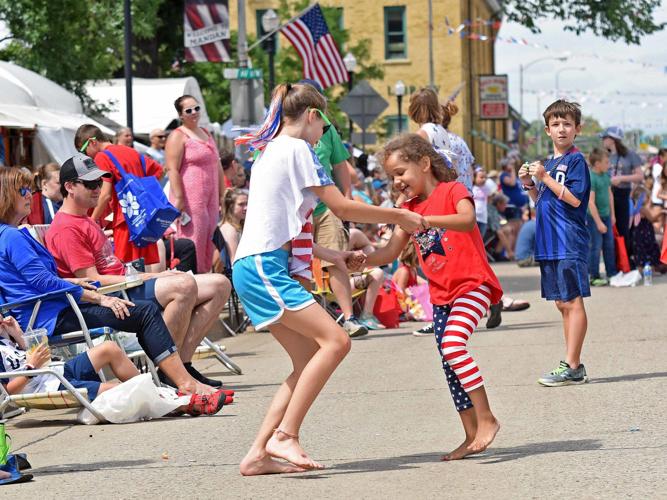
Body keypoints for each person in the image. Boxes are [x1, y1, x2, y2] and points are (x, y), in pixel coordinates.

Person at [232, 83, 426, 475]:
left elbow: (280, 224)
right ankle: (285, 436)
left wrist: (332, 255)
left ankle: (258, 453)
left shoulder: (273, 150)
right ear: (311, 117)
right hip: (263, 268)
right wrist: (398, 215)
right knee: (336, 341)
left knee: (306, 360)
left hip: (256, 265)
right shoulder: (296, 148)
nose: (325, 136)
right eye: (325, 127)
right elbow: (338, 205)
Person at [0, 167, 219, 396]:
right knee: (144, 313)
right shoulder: (12, 236)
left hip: (53, 308)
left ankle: (173, 383)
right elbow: (43, 282)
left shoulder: (14, 234)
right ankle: (182, 383)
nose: (29, 195)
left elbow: (40, 280)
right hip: (49, 316)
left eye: (29, 189)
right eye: (22, 190)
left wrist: (75, 283)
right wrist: (98, 297)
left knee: (143, 311)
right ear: (6, 195)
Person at [365, 133, 502, 460]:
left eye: (401, 172)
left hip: (473, 284)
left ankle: (486, 419)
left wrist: (423, 220)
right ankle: (470, 436)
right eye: (391, 176)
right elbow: (390, 252)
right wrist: (361, 259)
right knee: (449, 364)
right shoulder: (408, 211)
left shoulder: (452, 191)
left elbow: (467, 219)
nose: (396, 181)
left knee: (454, 346)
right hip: (442, 296)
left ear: (424, 164)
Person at [45, 154, 232, 388]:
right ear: (69, 186)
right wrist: (152, 275)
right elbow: (91, 280)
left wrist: (149, 275)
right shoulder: (66, 227)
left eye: (100, 183)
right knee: (182, 285)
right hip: (113, 294)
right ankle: (169, 371)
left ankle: (181, 365)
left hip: (126, 285)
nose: (98, 189)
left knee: (220, 285)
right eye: (91, 184)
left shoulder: (86, 220)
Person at [0, 315, 232, 415]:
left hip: (59, 372)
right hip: (49, 387)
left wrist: (17, 335)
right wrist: (30, 368)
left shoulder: (4, 336)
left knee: (109, 349)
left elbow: (32, 353)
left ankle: (166, 394)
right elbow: (5, 393)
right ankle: (185, 404)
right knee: (123, 391)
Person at [519, 99, 591, 387]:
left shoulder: (576, 161)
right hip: (548, 241)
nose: (562, 129)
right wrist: (529, 183)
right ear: (547, 130)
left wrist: (544, 177)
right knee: (562, 303)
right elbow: (542, 202)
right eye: (556, 124)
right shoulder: (548, 162)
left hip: (568, 240)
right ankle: (571, 362)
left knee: (572, 300)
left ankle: (573, 365)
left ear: (577, 129)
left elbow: (575, 200)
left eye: (567, 124)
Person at [300, 79, 368, 338]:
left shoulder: (327, 128)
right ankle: (310, 324)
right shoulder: (283, 133)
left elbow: (340, 164)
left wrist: (347, 199)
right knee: (300, 262)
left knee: (337, 256)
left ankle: (349, 318)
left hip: (326, 204)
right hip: (299, 209)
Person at [75, 124, 164, 273]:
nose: (86, 156)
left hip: (125, 220)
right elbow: (159, 171)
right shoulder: (131, 151)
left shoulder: (102, 157)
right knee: (142, 269)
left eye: (83, 150)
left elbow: (105, 195)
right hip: (144, 217)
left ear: (92, 142)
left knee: (127, 272)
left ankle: (134, 297)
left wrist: (92, 220)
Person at [165, 95, 224, 273]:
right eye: (188, 110)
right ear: (181, 115)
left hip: (210, 197)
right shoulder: (178, 136)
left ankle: (204, 277)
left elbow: (217, 164)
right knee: (193, 238)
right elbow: (172, 169)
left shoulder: (206, 133)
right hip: (191, 198)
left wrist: (223, 193)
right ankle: (191, 278)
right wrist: (180, 198)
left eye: (196, 108)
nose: (194, 113)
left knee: (208, 238)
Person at [600, 126, 643, 268]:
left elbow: (639, 176)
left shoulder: (629, 154)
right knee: (609, 231)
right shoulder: (603, 155)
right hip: (606, 195)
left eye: (604, 138)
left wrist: (621, 178)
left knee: (623, 229)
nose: (602, 140)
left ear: (612, 140)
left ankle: (626, 263)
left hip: (623, 194)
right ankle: (613, 265)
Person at [586, 147, 616, 286]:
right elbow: (590, 202)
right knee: (596, 247)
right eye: (606, 162)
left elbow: (610, 195)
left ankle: (612, 273)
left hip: (606, 216)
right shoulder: (591, 178)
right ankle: (594, 275)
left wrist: (612, 215)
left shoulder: (606, 176)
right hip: (594, 218)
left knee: (609, 245)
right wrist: (598, 223)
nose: (608, 164)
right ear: (597, 163)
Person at [441, 101, 474, 192]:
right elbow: (470, 170)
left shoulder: (442, 141)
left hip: (452, 195)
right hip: (465, 193)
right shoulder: (458, 139)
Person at [218, 188, 247, 263]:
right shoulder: (230, 229)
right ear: (231, 206)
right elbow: (233, 261)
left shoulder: (239, 226)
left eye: (247, 204)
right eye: (241, 204)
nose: (246, 208)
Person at [472, 167, 492, 237]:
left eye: (485, 178)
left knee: (480, 238)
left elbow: (489, 198)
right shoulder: (472, 188)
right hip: (474, 218)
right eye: (481, 177)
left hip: (483, 218)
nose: (484, 179)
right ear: (474, 178)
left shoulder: (486, 188)